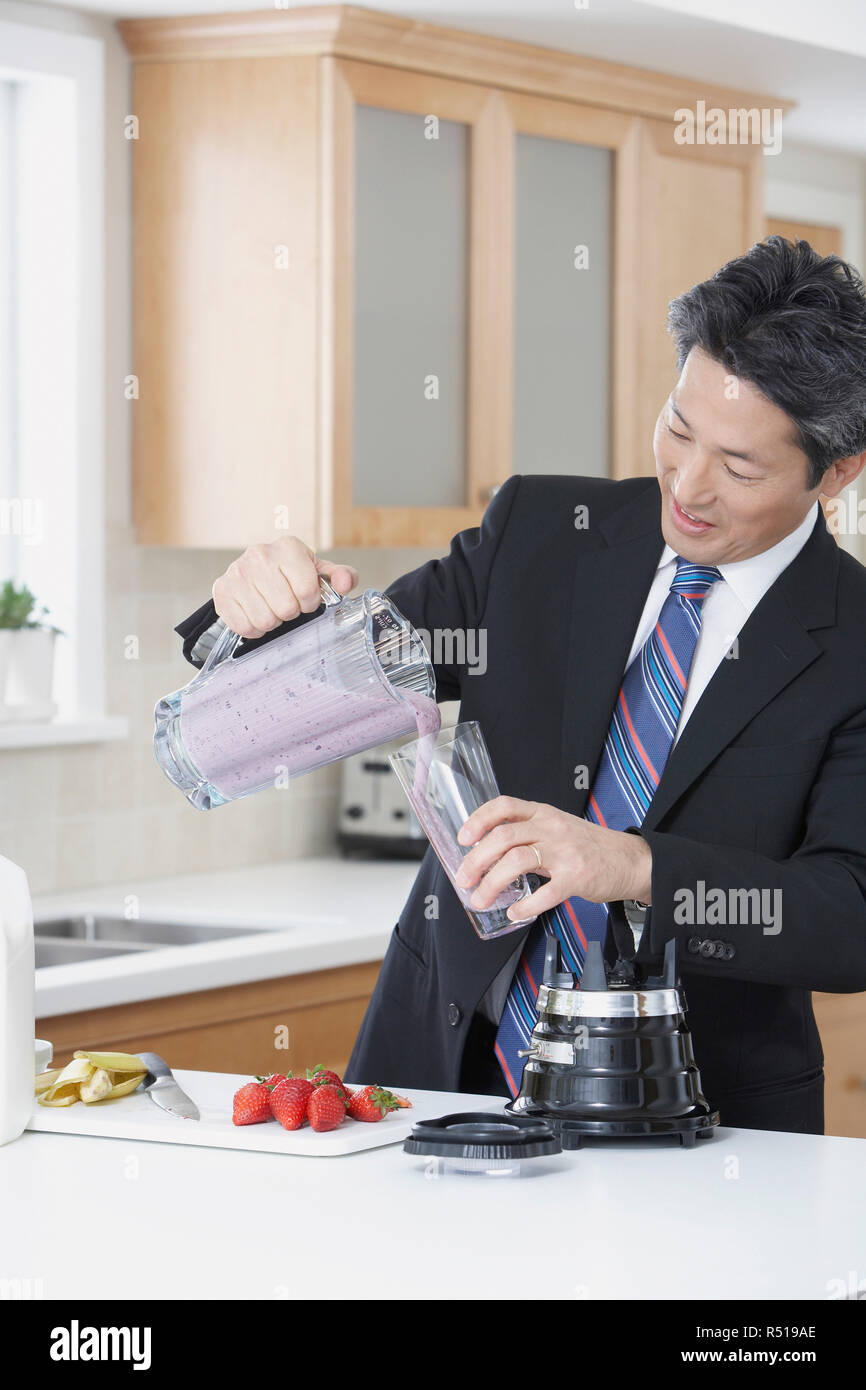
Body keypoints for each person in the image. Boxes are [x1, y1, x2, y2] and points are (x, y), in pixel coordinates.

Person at [174, 237, 866, 1134]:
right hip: (433, 1075)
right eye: (679, 430)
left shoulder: (852, 641)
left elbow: (849, 915)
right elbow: (337, 678)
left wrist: (630, 866)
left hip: (698, 1120)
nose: (688, 486)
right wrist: (256, 610)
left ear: (837, 470)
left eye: (739, 467)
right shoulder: (542, 531)